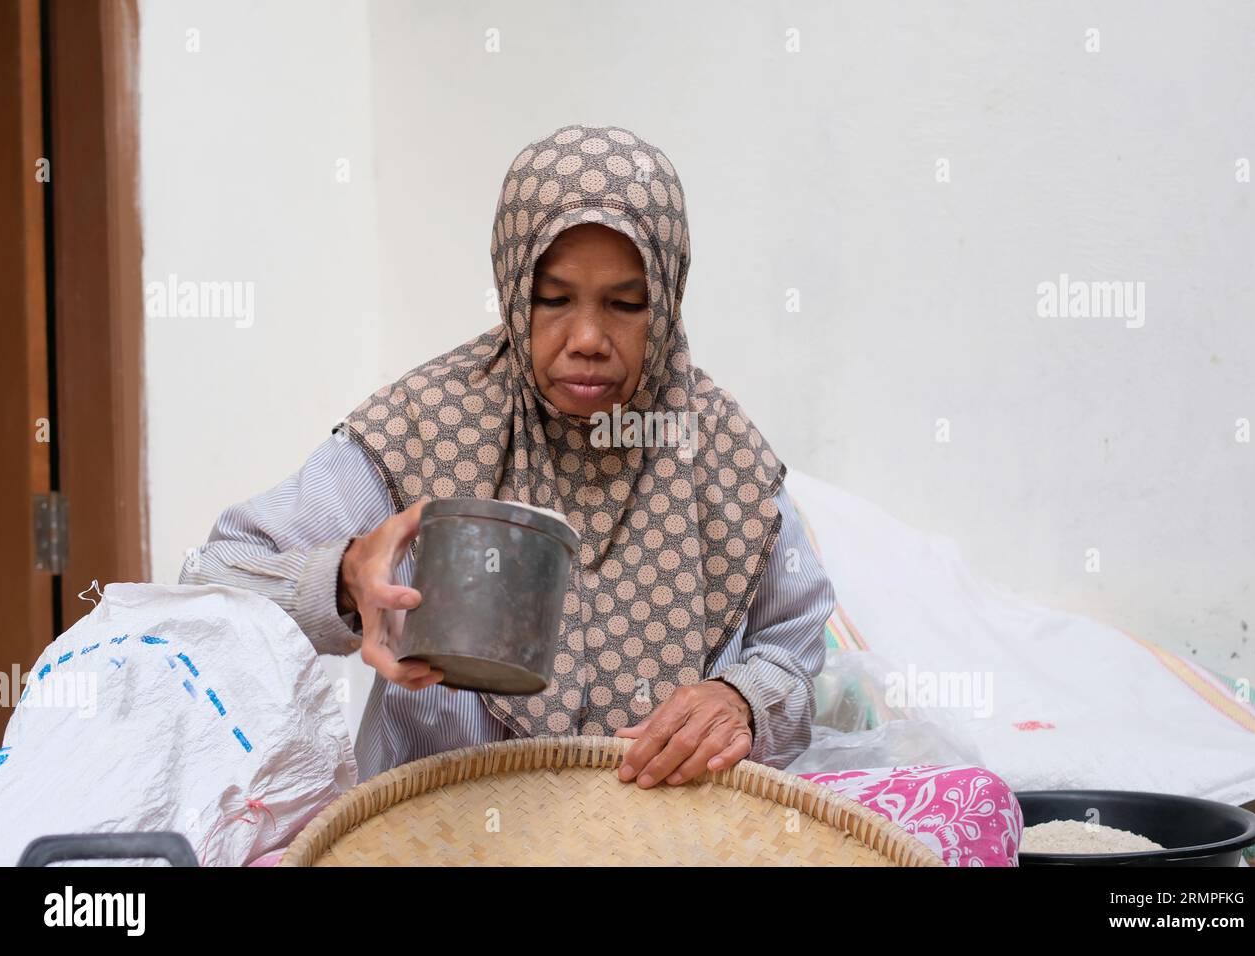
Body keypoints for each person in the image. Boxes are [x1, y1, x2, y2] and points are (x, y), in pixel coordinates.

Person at [182, 122, 834, 788]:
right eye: (552, 299)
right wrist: (346, 578)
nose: (586, 337)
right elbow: (215, 576)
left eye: (626, 303)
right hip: (436, 840)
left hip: (657, 841)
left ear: (667, 300)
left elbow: (793, 650)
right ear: (512, 284)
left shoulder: (719, 452)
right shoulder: (428, 425)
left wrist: (742, 701)